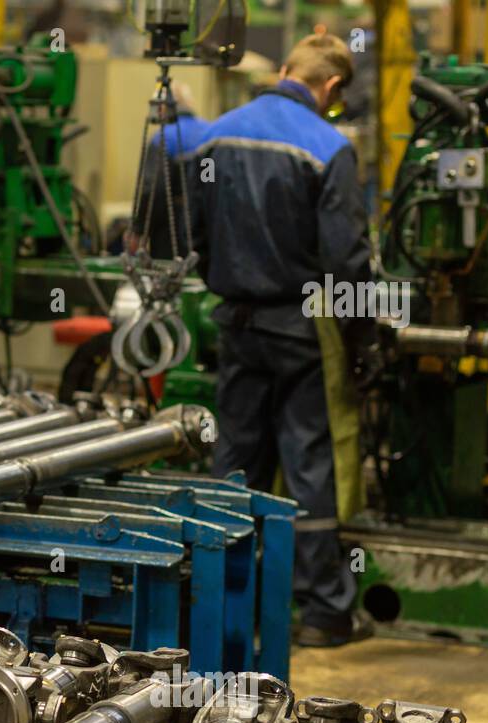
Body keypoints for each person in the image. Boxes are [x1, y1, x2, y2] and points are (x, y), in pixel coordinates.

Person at [186, 31, 377, 647]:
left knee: (235, 464)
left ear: (289, 68)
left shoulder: (216, 134)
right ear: (330, 88)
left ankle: (217, 605)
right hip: (299, 327)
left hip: (235, 323)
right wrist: (365, 338)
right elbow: (347, 262)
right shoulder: (328, 147)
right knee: (308, 461)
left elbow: (195, 235)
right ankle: (322, 613)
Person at [132, 82, 211, 260]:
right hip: (204, 225)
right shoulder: (209, 133)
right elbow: (210, 180)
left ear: (162, 107)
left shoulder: (164, 137)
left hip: (171, 230)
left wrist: (139, 229)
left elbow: (154, 189)